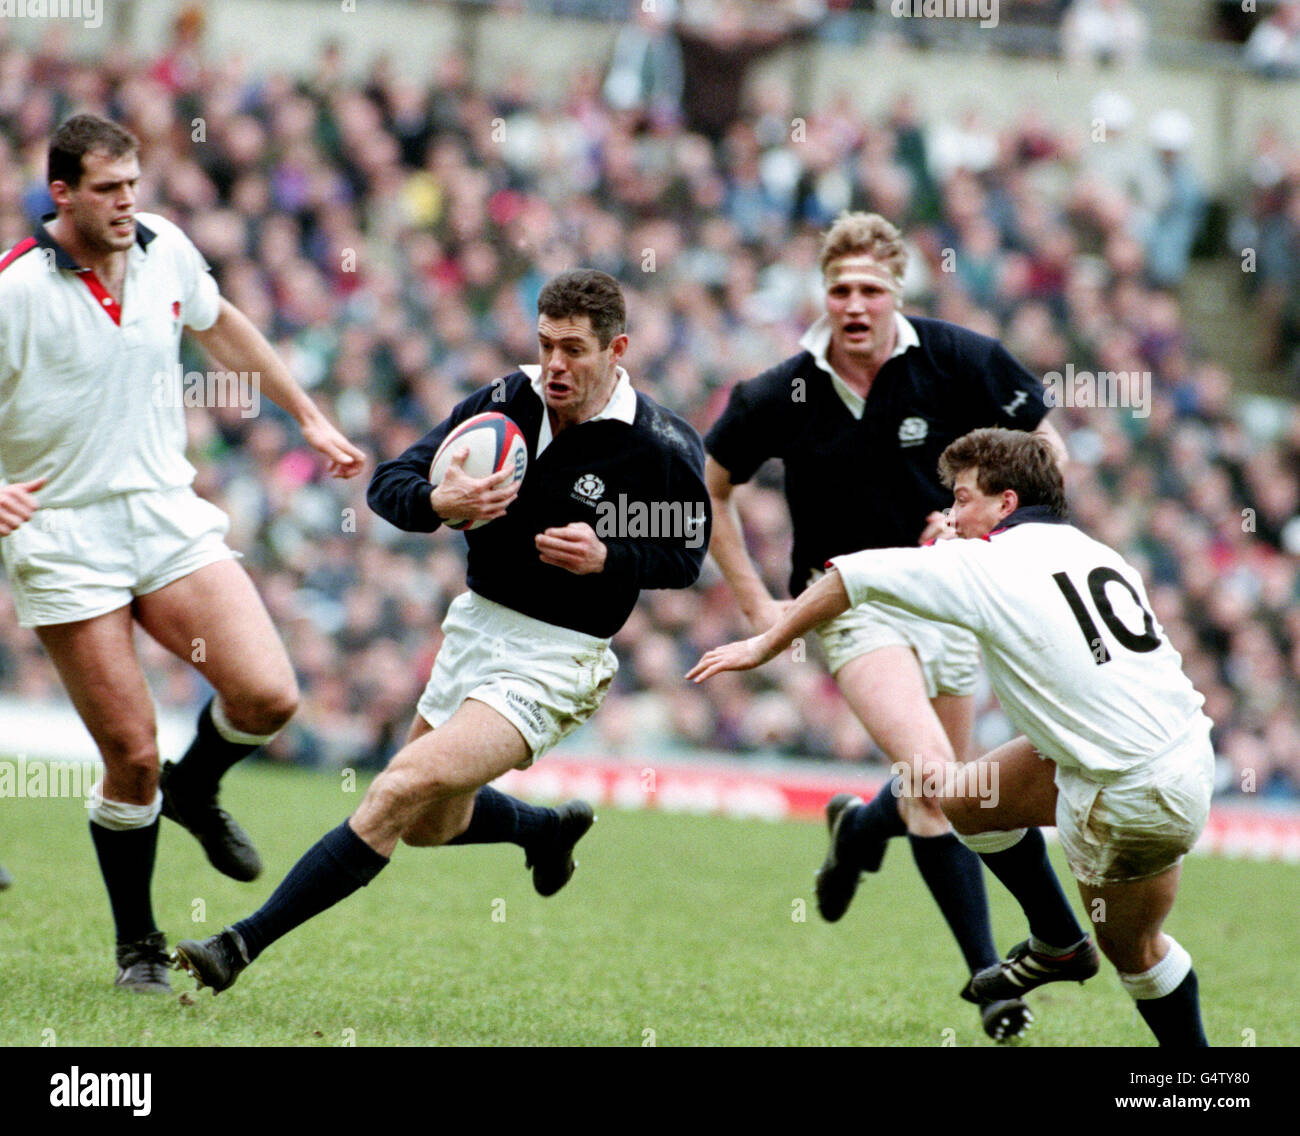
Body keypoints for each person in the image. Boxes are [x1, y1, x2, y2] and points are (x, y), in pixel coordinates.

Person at [174, 269, 711, 994]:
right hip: (474, 631)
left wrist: (611, 555)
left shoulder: (657, 444)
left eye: (575, 350)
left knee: (399, 788)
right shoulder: (505, 400)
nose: (555, 364)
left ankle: (241, 943)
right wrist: (438, 497)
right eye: (546, 343)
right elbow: (389, 483)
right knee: (429, 823)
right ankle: (543, 832)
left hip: (558, 658)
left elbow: (685, 556)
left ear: (617, 350)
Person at [689, 427, 1213, 1048]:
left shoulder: (984, 561)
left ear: (1006, 504)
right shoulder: (1096, 552)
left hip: (1126, 795)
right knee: (967, 796)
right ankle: (1057, 942)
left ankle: (1197, 1080)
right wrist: (953, 550)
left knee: (1135, 954)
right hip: (1181, 758)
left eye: (963, 500)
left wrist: (763, 644)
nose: (949, 514)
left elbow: (848, 578)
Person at [0, 114, 366, 993]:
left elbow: (224, 326)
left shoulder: (166, 250)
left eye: (134, 185)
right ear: (62, 194)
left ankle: (196, 787)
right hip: (63, 534)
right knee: (128, 756)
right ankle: (138, 949)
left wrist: (307, 415)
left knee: (269, 693)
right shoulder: (16, 288)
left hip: (165, 513)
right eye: (108, 189)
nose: (128, 203)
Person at [703, 210, 1066, 1041]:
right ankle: (991, 978)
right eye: (840, 290)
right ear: (821, 296)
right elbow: (711, 483)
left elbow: (1046, 458)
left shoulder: (959, 358)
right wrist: (759, 603)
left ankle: (862, 826)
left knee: (940, 778)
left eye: (870, 289)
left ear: (897, 292)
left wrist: (997, 537)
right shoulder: (779, 391)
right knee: (940, 781)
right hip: (849, 603)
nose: (855, 303)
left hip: (950, 596)